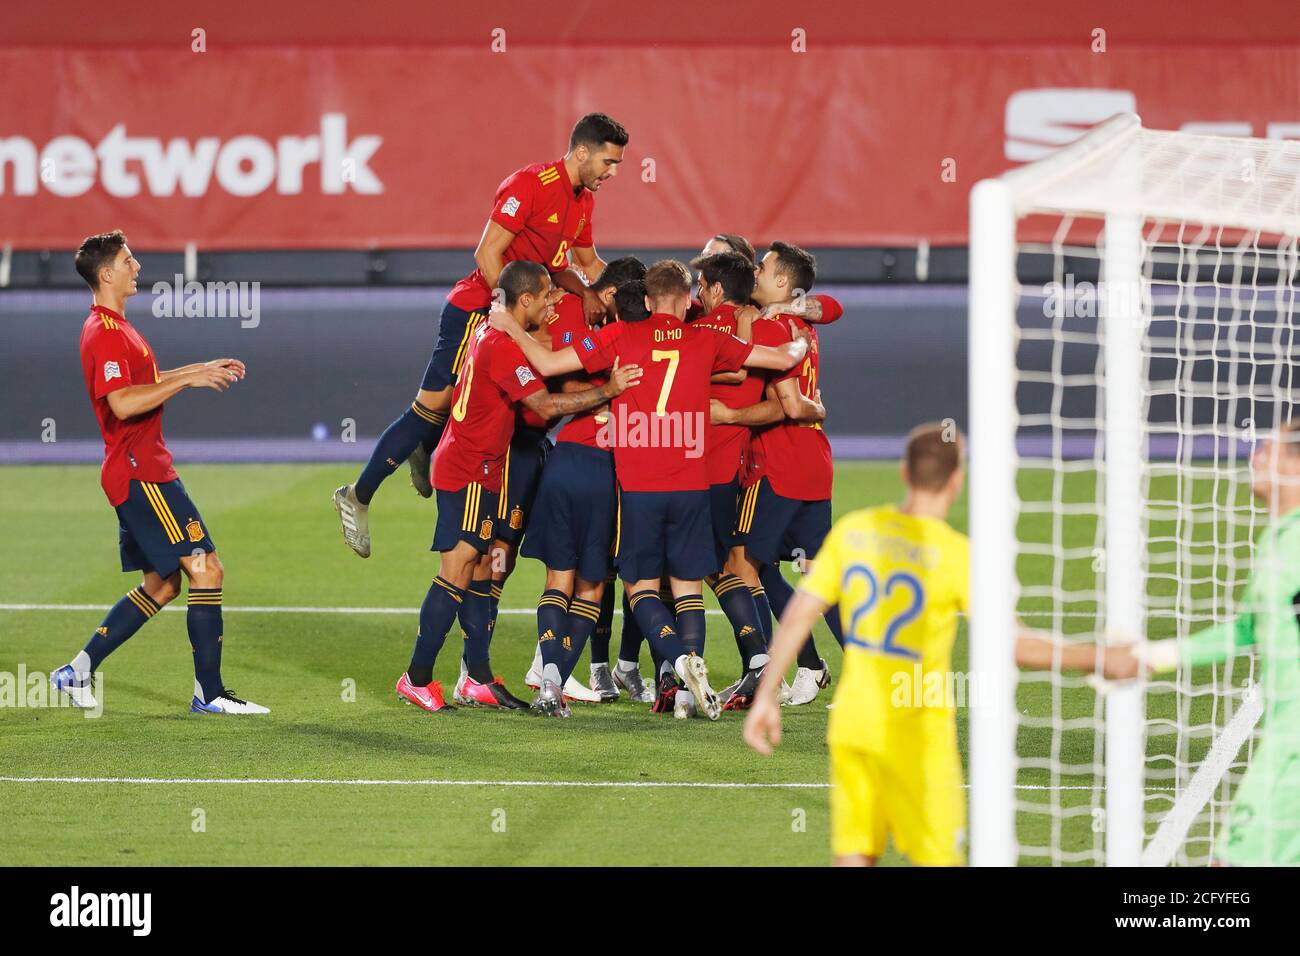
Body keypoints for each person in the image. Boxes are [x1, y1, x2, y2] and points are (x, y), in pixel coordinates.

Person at [743, 422, 1138, 865]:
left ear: (904, 474)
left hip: (856, 722)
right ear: (957, 479)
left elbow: (798, 613)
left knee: (853, 856)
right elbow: (1016, 645)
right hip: (917, 731)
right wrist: (1098, 658)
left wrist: (766, 696)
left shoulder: (856, 531)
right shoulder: (956, 555)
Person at [490, 260, 809, 720]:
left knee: (637, 587)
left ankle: (664, 662)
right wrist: (798, 337)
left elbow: (547, 362)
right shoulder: (706, 338)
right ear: (683, 301)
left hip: (636, 485)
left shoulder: (621, 337)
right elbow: (782, 359)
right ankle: (683, 694)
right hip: (692, 484)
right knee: (687, 588)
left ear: (645, 300)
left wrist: (509, 328)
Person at [334, 113, 628, 557]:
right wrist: (507, 317)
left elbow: (582, 262)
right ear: (582, 151)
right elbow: (486, 251)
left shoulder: (583, 201)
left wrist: (621, 293)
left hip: (518, 314)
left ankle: (426, 446)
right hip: (478, 307)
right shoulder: (529, 184)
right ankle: (357, 495)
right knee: (430, 409)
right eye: (608, 162)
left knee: (455, 411)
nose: (613, 172)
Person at [396, 261, 641, 714]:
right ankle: (417, 677)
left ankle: (479, 678)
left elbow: (548, 356)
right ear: (525, 299)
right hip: (469, 469)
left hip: (485, 468)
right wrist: (607, 390)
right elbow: (545, 402)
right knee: (458, 571)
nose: (554, 304)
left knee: (483, 572)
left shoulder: (498, 337)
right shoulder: (503, 346)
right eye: (547, 296)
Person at [51, 230, 269, 715]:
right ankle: (209, 694)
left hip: (137, 470)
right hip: (141, 473)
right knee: (205, 568)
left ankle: (77, 671)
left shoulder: (117, 328)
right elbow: (123, 402)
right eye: (129, 260)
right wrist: (190, 379)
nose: (137, 266)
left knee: (164, 584)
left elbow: (143, 383)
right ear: (106, 274)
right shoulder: (104, 334)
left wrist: (198, 367)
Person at [1136, 421, 1300, 865]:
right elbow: (1244, 630)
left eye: (1270, 450)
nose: (1257, 456)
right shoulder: (1278, 540)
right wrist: (1156, 657)